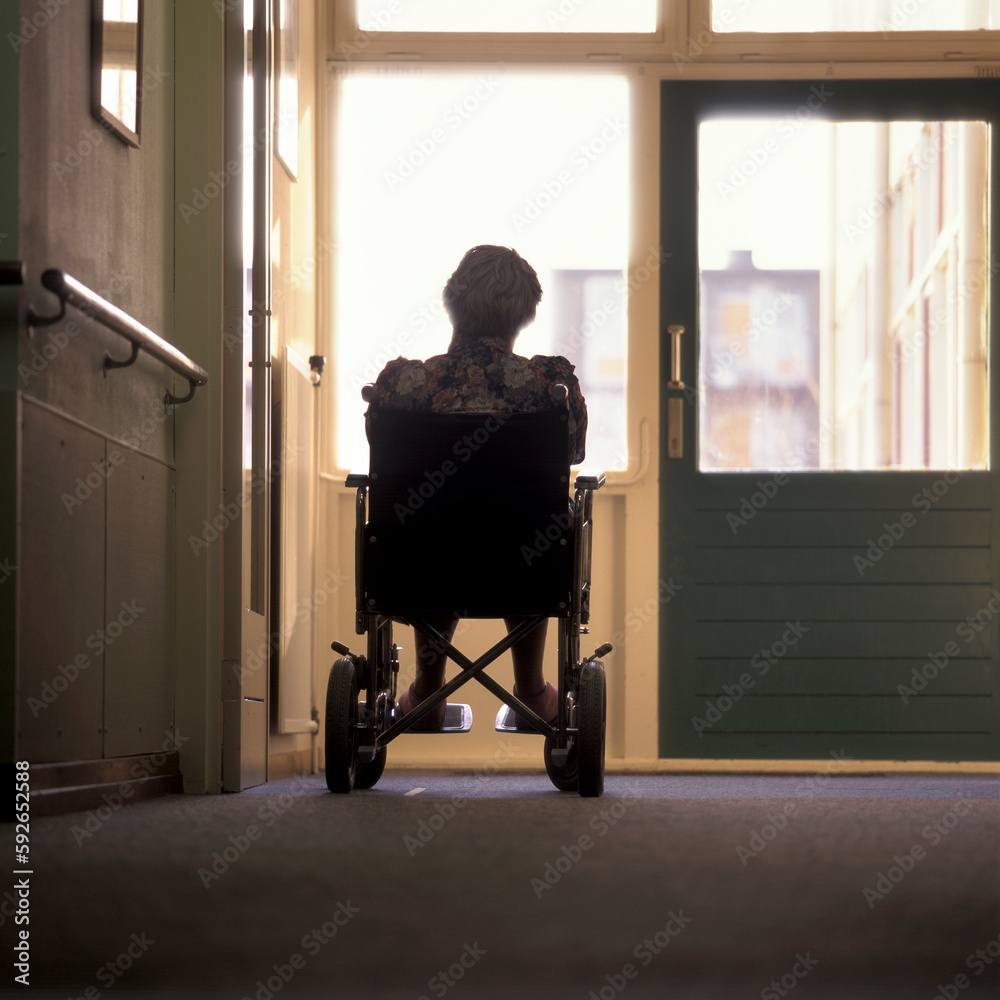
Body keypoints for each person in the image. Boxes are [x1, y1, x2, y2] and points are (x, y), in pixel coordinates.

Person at [368, 244, 587, 730]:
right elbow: (573, 455)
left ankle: (427, 693)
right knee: (537, 517)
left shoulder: (400, 385)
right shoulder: (550, 385)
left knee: (429, 517)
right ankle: (531, 692)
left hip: (421, 561)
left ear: (451, 300)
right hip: (524, 561)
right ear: (525, 314)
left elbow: (381, 456)